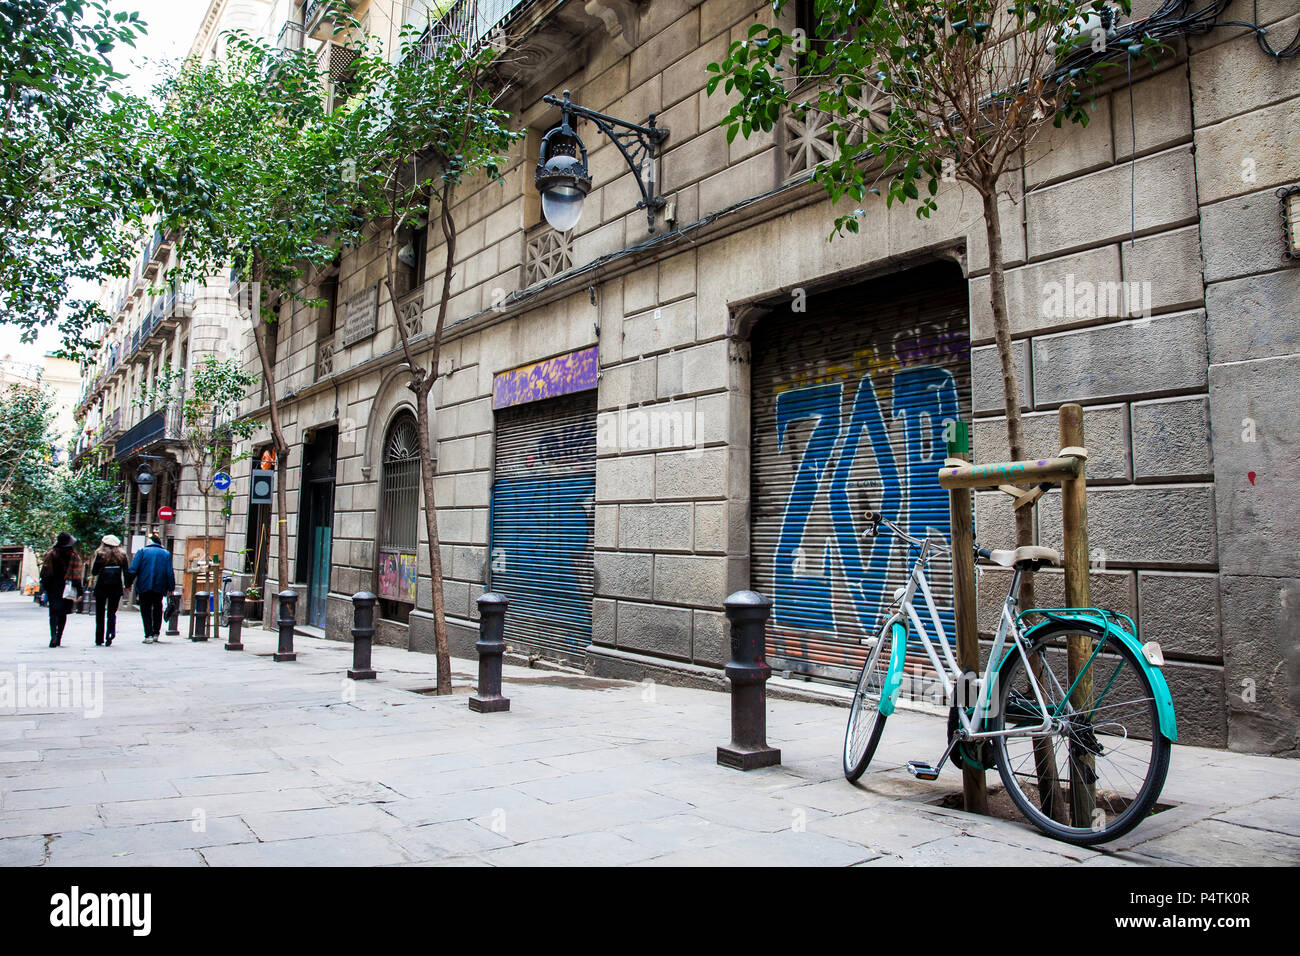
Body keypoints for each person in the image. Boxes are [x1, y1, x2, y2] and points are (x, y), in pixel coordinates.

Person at [127, 534, 175, 644]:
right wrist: (171, 587)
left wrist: (128, 583)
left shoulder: (142, 551)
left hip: (144, 585)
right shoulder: (166, 554)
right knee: (158, 608)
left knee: (145, 609)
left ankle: (148, 634)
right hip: (159, 585)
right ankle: (156, 633)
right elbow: (169, 572)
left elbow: (133, 569)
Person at [40, 532, 83, 648]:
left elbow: (44, 573)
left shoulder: (50, 555)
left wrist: (43, 588)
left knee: (53, 612)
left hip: (53, 586)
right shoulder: (74, 556)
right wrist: (80, 591)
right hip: (67, 586)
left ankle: (53, 636)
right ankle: (59, 638)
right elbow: (77, 575)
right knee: (63, 613)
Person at [91, 534, 129, 647]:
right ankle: (110, 633)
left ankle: (99, 638)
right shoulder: (122, 556)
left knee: (100, 613)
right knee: (112, 612)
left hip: (102, 586)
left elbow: (94, 572)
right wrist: (127, 585)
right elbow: (126, 572)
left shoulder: (100, 555)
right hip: (116, 587)